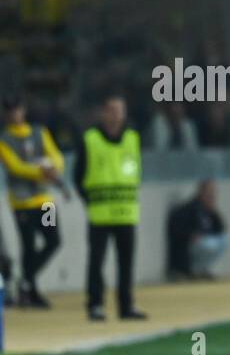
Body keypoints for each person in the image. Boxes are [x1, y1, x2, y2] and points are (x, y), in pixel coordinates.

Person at [75, 95, 147, 321]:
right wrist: (91, 201)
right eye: (112, 110)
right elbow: (78, 176)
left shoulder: (133, 138)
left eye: (120, 111)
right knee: (96, 262)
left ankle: (126, 306)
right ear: (104, 113)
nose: (116, 115)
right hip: (100, 213)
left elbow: (136, 172)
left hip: (126, 212)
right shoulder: (91, 139)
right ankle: (95, 304)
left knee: (126, 263)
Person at [0, 98, 64, 308]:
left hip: (45, 200)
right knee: (27, 246)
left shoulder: (39, 132)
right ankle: (31, 290)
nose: (14, 114)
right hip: (22, 202)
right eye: (10, 111)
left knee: (53, 241)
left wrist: (54, 167)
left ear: (23, 110)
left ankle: (26, 281)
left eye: (16, 109)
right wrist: (41, 171)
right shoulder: (5, 140)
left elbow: (55, 154)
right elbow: (15, 167)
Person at [166, 179, 227, 279]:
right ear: (201, 192)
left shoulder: (209, 210)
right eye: (209, 192)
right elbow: (177, 228)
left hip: (203, 241)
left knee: (223, 240)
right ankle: (193, 269)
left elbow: (221, 229)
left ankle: (201, 269)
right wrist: (191, 235)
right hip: (189, 244)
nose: (212, 195)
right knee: (209, 245)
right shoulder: (190, 208)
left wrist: (213, 212)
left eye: (213, 192)